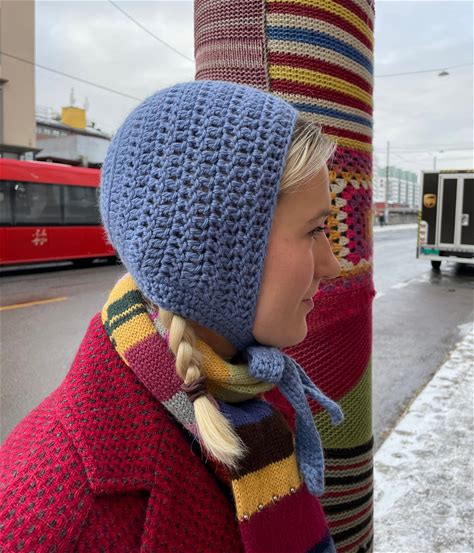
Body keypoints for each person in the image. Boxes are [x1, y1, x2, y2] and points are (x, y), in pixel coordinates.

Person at [0, 81, 343, 552]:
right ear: (219, 250)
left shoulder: (245, 386)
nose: (332, 266)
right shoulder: (50, 517)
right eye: (314, 231)